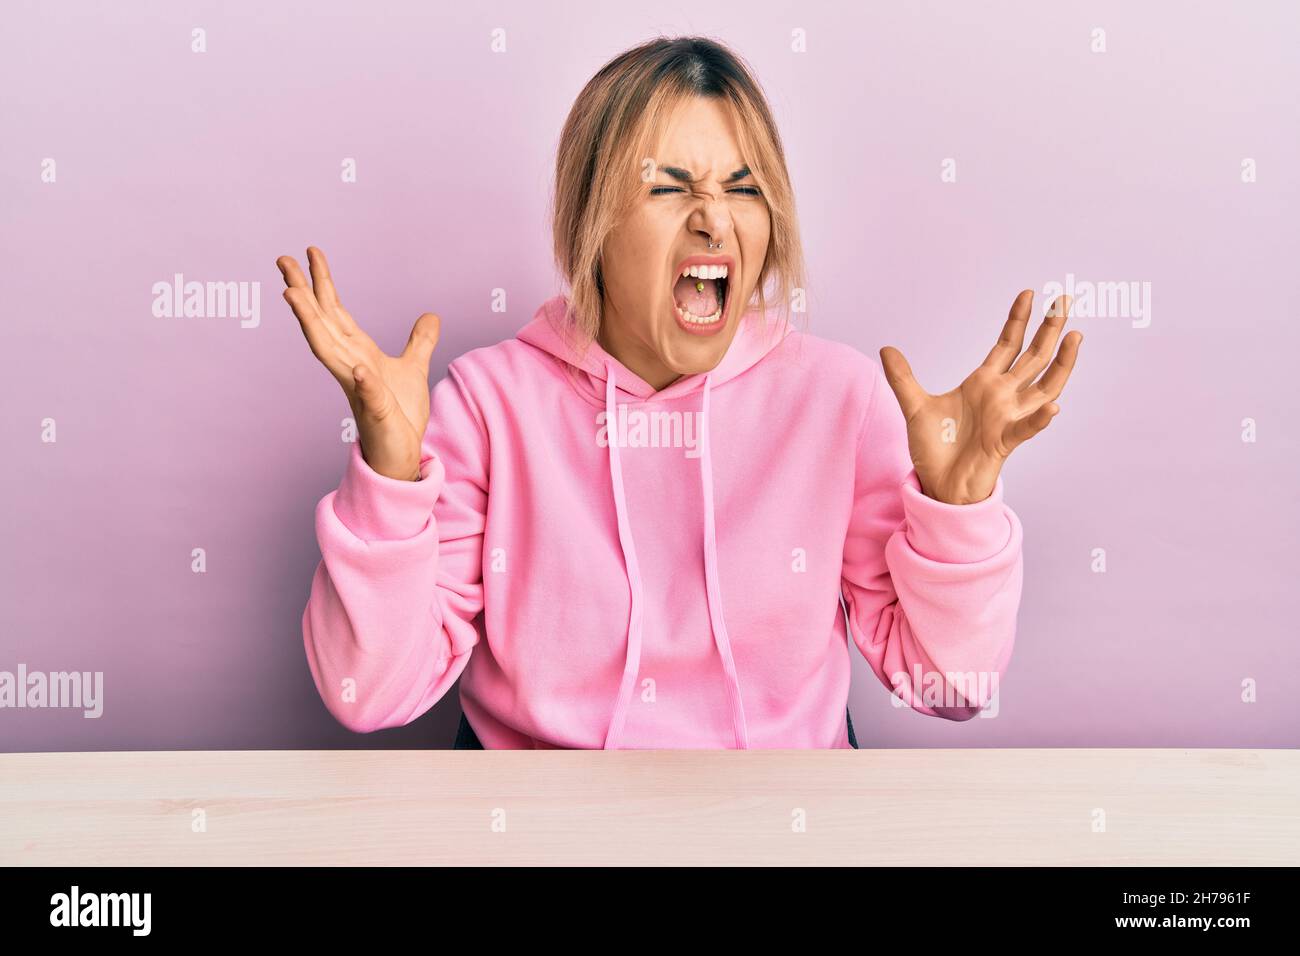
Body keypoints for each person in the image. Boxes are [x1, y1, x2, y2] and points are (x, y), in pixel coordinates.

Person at [276, 36, 1081, 749]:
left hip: (780, 830)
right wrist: (385, 476)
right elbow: (368, 694)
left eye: (743, 187)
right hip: (540, 831)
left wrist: (959, 508)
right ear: (590, 218)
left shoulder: (839, 400)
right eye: (668, 188)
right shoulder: (489, 406)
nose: (713, 221)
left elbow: (955, 686)